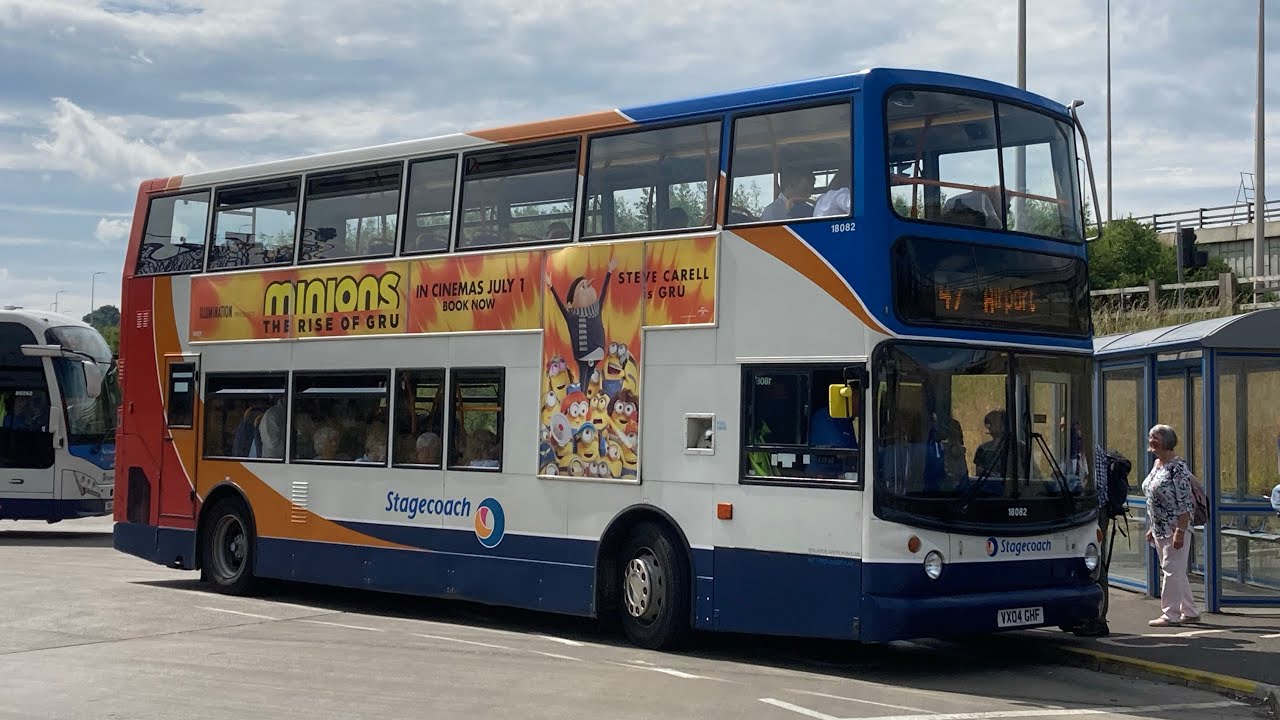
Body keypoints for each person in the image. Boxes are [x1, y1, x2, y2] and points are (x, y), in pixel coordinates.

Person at [1141, 424, 1200, 627]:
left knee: (1171, 571)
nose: (1151, 441)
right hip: (1159, 528)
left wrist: (1180, 532)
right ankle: (1190, 611)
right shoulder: (1158, 464)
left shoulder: (1178, 468)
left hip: (1175, 528)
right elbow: (1152, 496)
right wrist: (1151, 526)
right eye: (1151, 437)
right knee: (1175, 570)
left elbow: (1185, 504)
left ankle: (1170, 615)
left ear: (1166, 441)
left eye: (1155, 438)